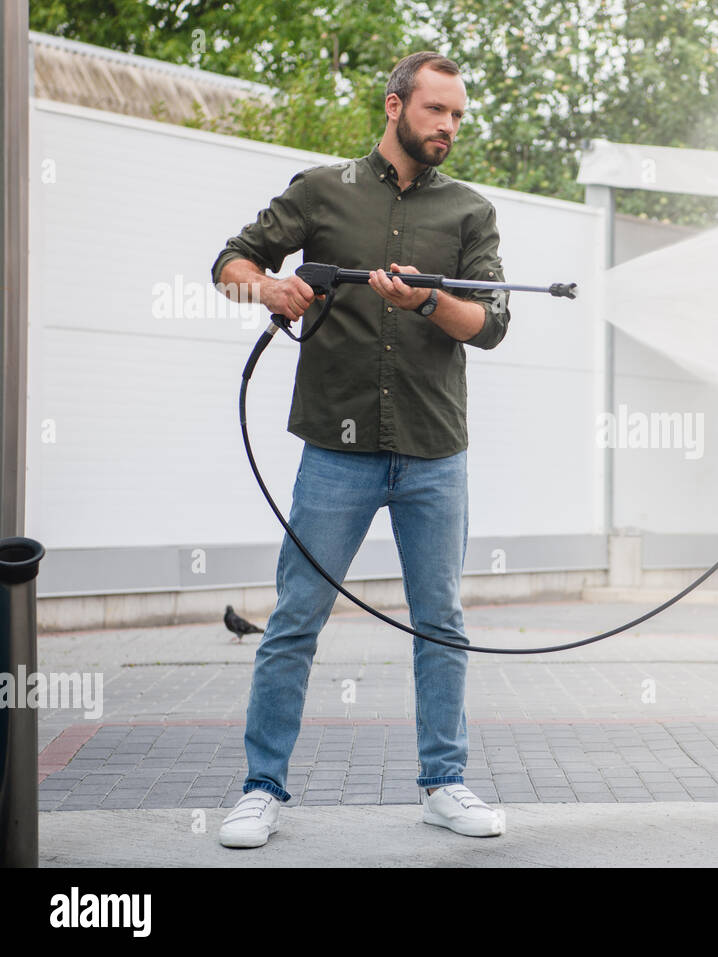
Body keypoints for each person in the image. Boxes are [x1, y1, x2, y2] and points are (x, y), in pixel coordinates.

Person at [210, 51, 510, 847]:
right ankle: (260, 787)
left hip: (434, 453)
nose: (448, 127)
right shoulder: (320, 191)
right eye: (435, 111)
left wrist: (428, 299)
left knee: (440, 620)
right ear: (394, 106)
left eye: (457, 115)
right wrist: (268, 287)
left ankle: (443, 783)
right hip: (333, 454)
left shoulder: (470, 213)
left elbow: (491, 326)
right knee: (296, 619)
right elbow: (228, 263)